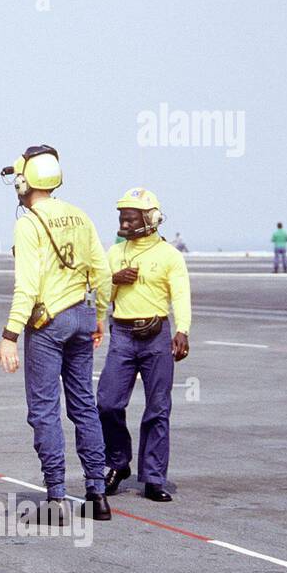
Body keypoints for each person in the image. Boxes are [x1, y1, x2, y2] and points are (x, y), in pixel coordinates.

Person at [0, 145, 112, 521]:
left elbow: (26, 287)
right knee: (83, 405)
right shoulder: (80, 216)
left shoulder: (28, 223)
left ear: (24, 182)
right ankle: (97, 492)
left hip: (48, 324)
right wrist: (99, 316)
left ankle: (58, 496)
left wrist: (9, 336)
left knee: (45, 410)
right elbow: (103, 273)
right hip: (81, 315)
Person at [96, 189, 191, 503]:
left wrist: (183, 331)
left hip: (156, 335)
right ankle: (118, 463)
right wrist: (115, 280)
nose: (124, 221)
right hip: (122, 335)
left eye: (131, 216)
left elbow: (180, 295)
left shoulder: (169, 255)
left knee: (157, 409)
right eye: (122, 215)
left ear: (150, 219)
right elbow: (101, 295)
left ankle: (153, 477)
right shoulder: (115, 253)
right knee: (108, 403)